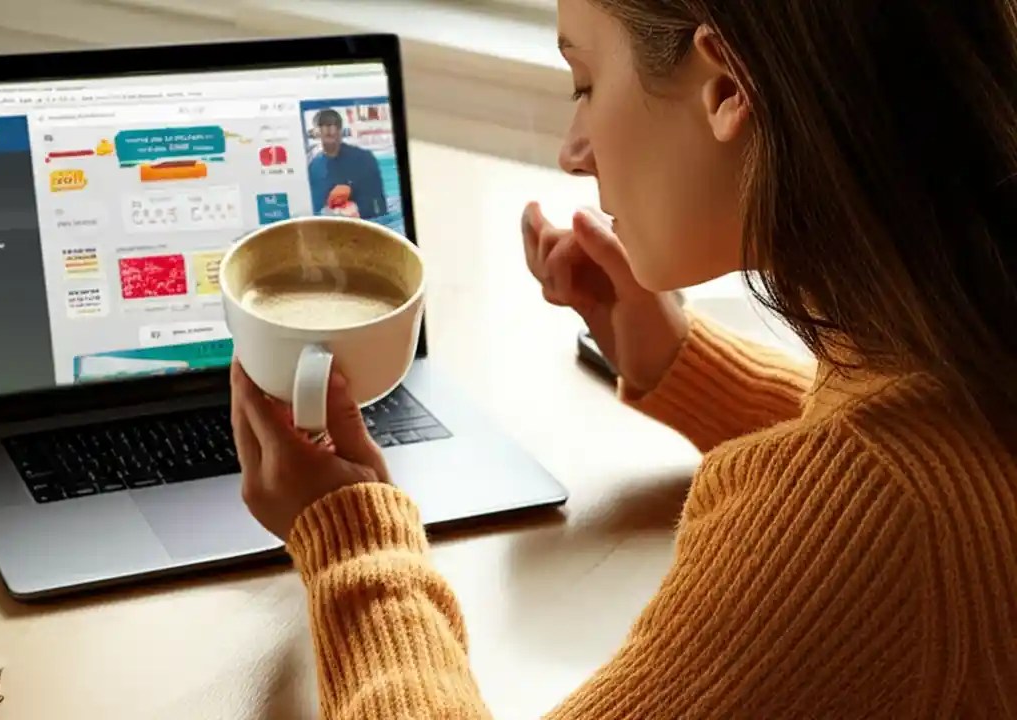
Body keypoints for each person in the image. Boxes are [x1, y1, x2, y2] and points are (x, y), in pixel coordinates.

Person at [230, 0, 1017, 716]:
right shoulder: (974, 339)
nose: (575, 151)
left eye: (584, 83)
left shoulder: (871, 525)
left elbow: (877, 502)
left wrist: (352, 541)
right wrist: (683, 363)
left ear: (726, 87)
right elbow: (931, 461)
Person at [307, 108, 388, 220]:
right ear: (316, 132)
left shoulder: (363, 159)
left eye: (335, 124)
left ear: (341, 130)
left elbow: (378, 207)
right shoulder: (311, 166)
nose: (330, 129)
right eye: (323, 125)